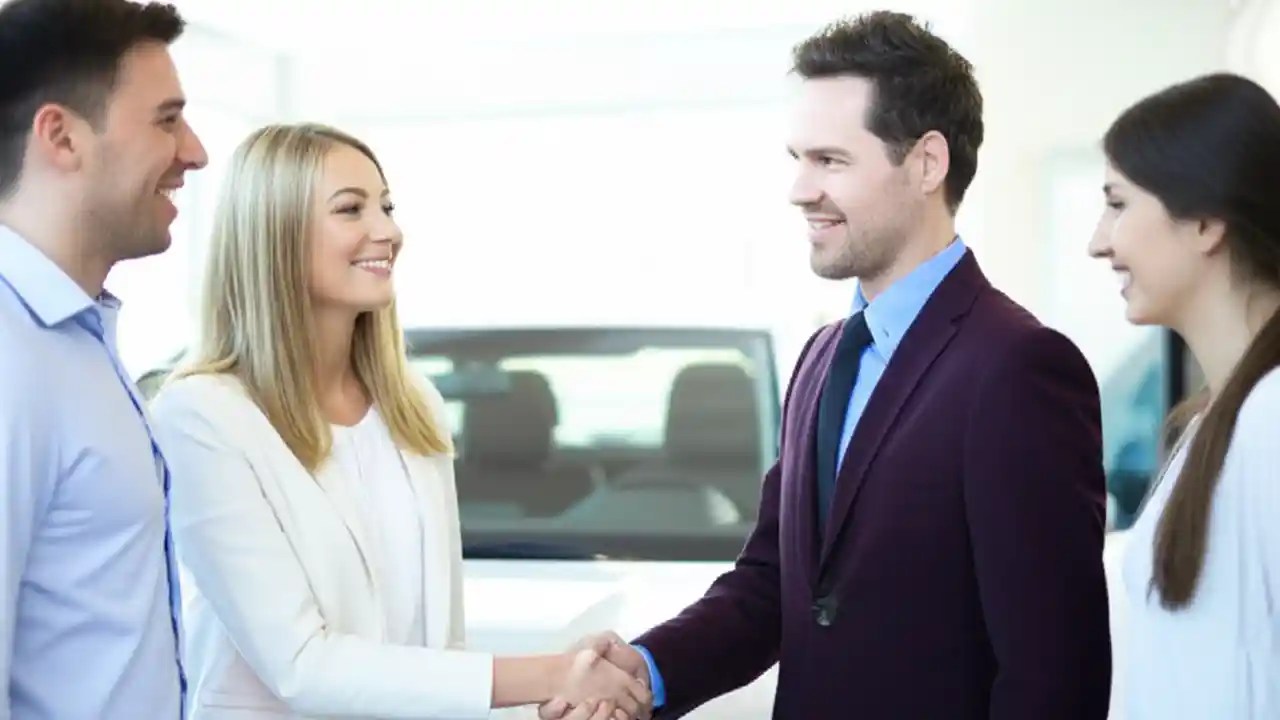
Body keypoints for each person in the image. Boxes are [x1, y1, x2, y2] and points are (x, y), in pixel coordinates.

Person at [544, 11, 1112, 719]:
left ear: (927, 164)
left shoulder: (1018, 368)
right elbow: (774, 585)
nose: (800, 189)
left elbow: (1053, 674)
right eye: (799, 159)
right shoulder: (822, 358)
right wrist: (649, 668)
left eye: (831, 161)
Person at [148, 122, 648, 720]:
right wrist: (548, 675)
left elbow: (437, 655)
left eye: (386, 206)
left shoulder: (413, 407)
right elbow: (300, 665)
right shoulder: (203, 415)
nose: (388, 231)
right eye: (350, 209)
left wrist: (549, 705)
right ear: (274, 232)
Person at [0, 0, 208, 717]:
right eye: (166, 120)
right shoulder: (10, 356)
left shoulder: (73, 337)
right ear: (61, 137)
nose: (194, 152)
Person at [1089, 72, 1280, 719]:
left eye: (1118, 204)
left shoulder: (1270, 418)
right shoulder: (1215, 423)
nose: (1099, 242)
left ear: (1203, 221)